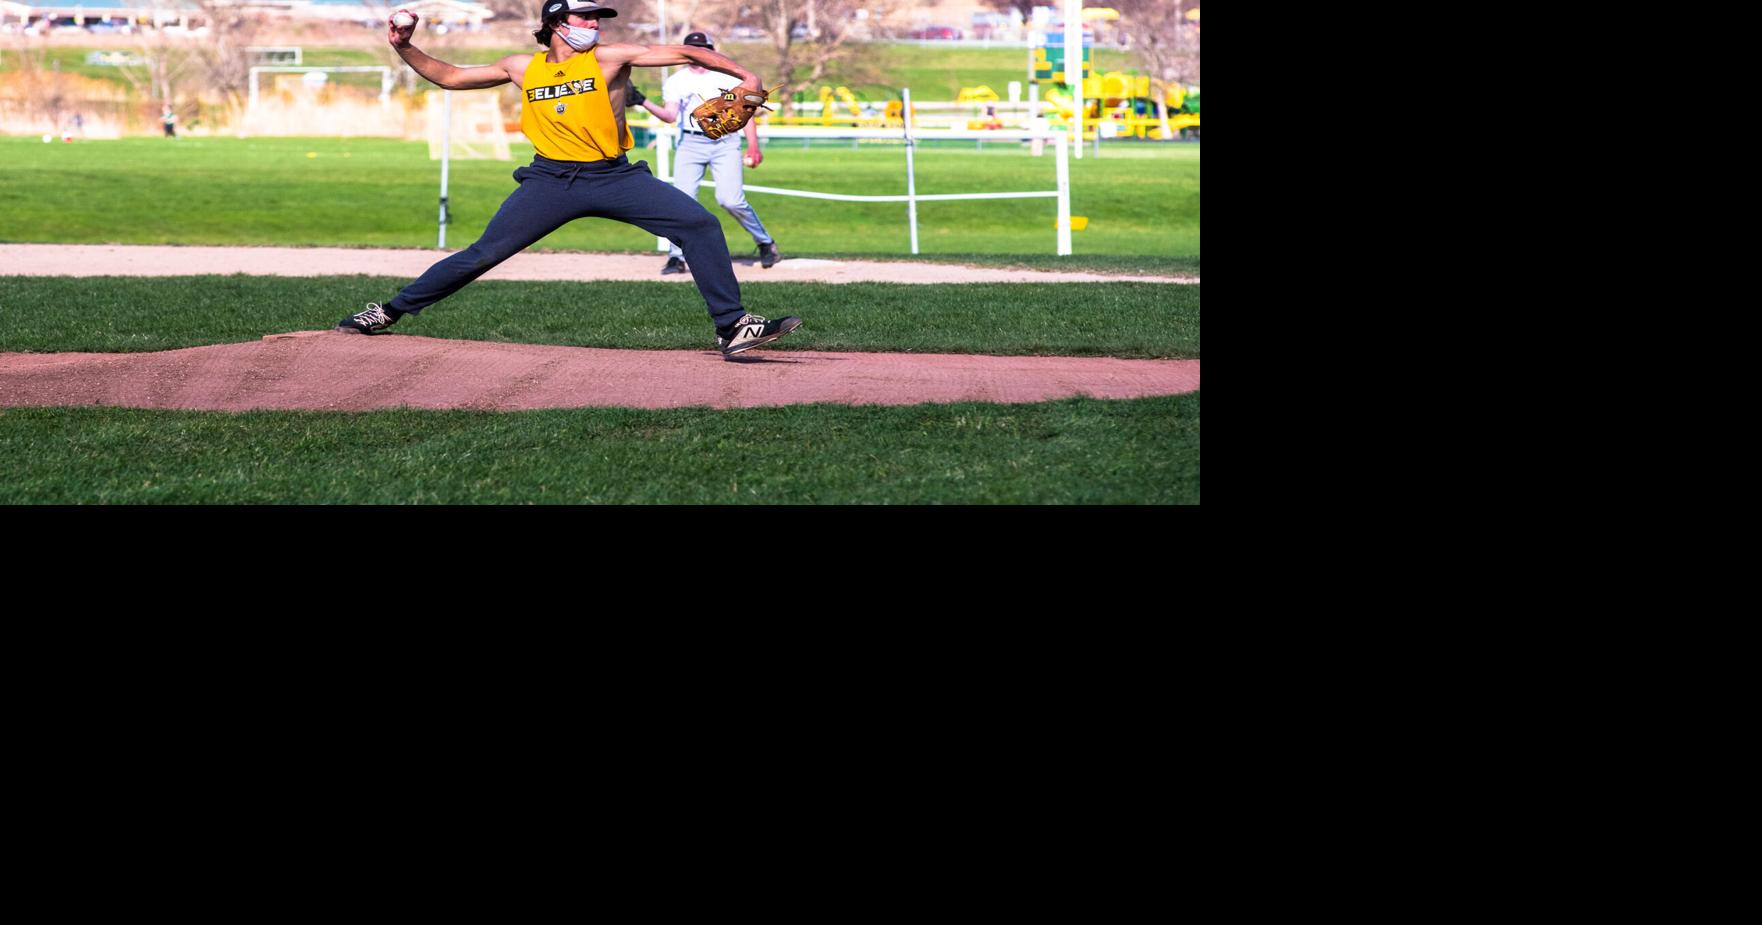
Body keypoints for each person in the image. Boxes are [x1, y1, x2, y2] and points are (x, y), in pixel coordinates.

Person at [336, 2, 801, 359]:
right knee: (484, 253)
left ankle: (733, 326)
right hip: (550, 181)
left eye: (597, 19)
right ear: (558, 23)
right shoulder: (522, 67)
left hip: (615, 177)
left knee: (698, 224)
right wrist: (403, 46)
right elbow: (452, 76)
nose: (595, 25)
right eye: (586, 17)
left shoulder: (611, 58)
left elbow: (685, 51)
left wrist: (745, 73)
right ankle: (388, 311)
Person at [636, 31, 779, 276]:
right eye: (693, 49)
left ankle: (765, 242)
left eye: (704, 48)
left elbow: (743, 114)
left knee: (730, 200)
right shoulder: (676, 81)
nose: (699, 53)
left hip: (725, 143)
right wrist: (641, 101)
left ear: (712, 50)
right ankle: (676, 256)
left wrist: (753, 146)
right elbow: (670, 116)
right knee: (681, 201)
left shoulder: (726, 77)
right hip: (690, 144)